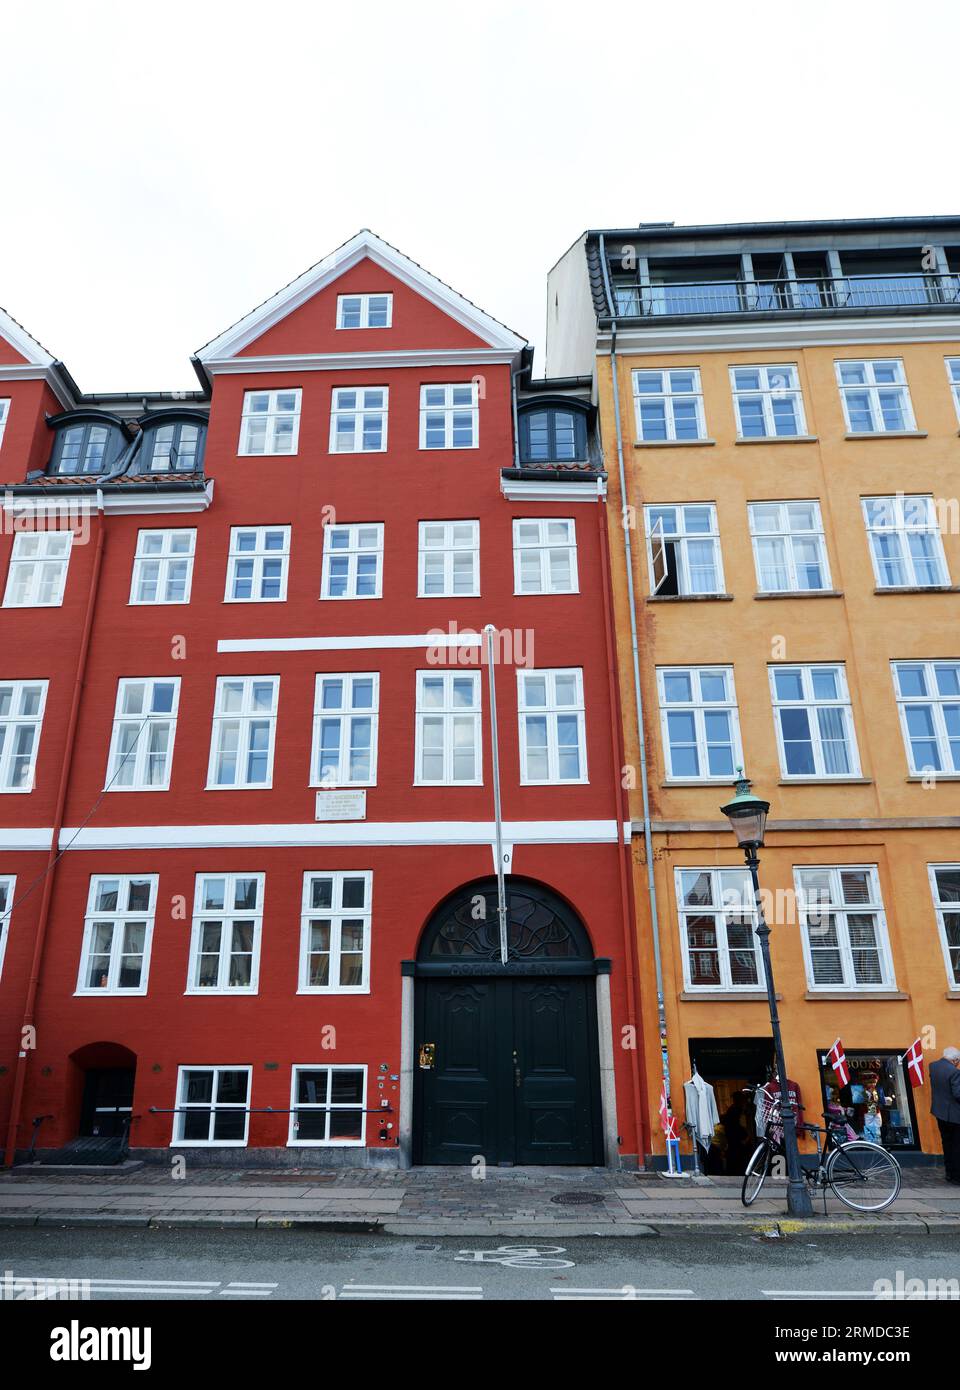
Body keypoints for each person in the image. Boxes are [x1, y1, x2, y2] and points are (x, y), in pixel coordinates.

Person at [930, 1046, 960, 1184]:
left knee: (946, 1143)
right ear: (955, 1060)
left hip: (939, 1112)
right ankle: (956, 1176)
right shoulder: (954, 1072)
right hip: (954, 1115)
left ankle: (949, 1173)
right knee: (956, 1146)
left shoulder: (933, 1067)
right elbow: (958, 1094)